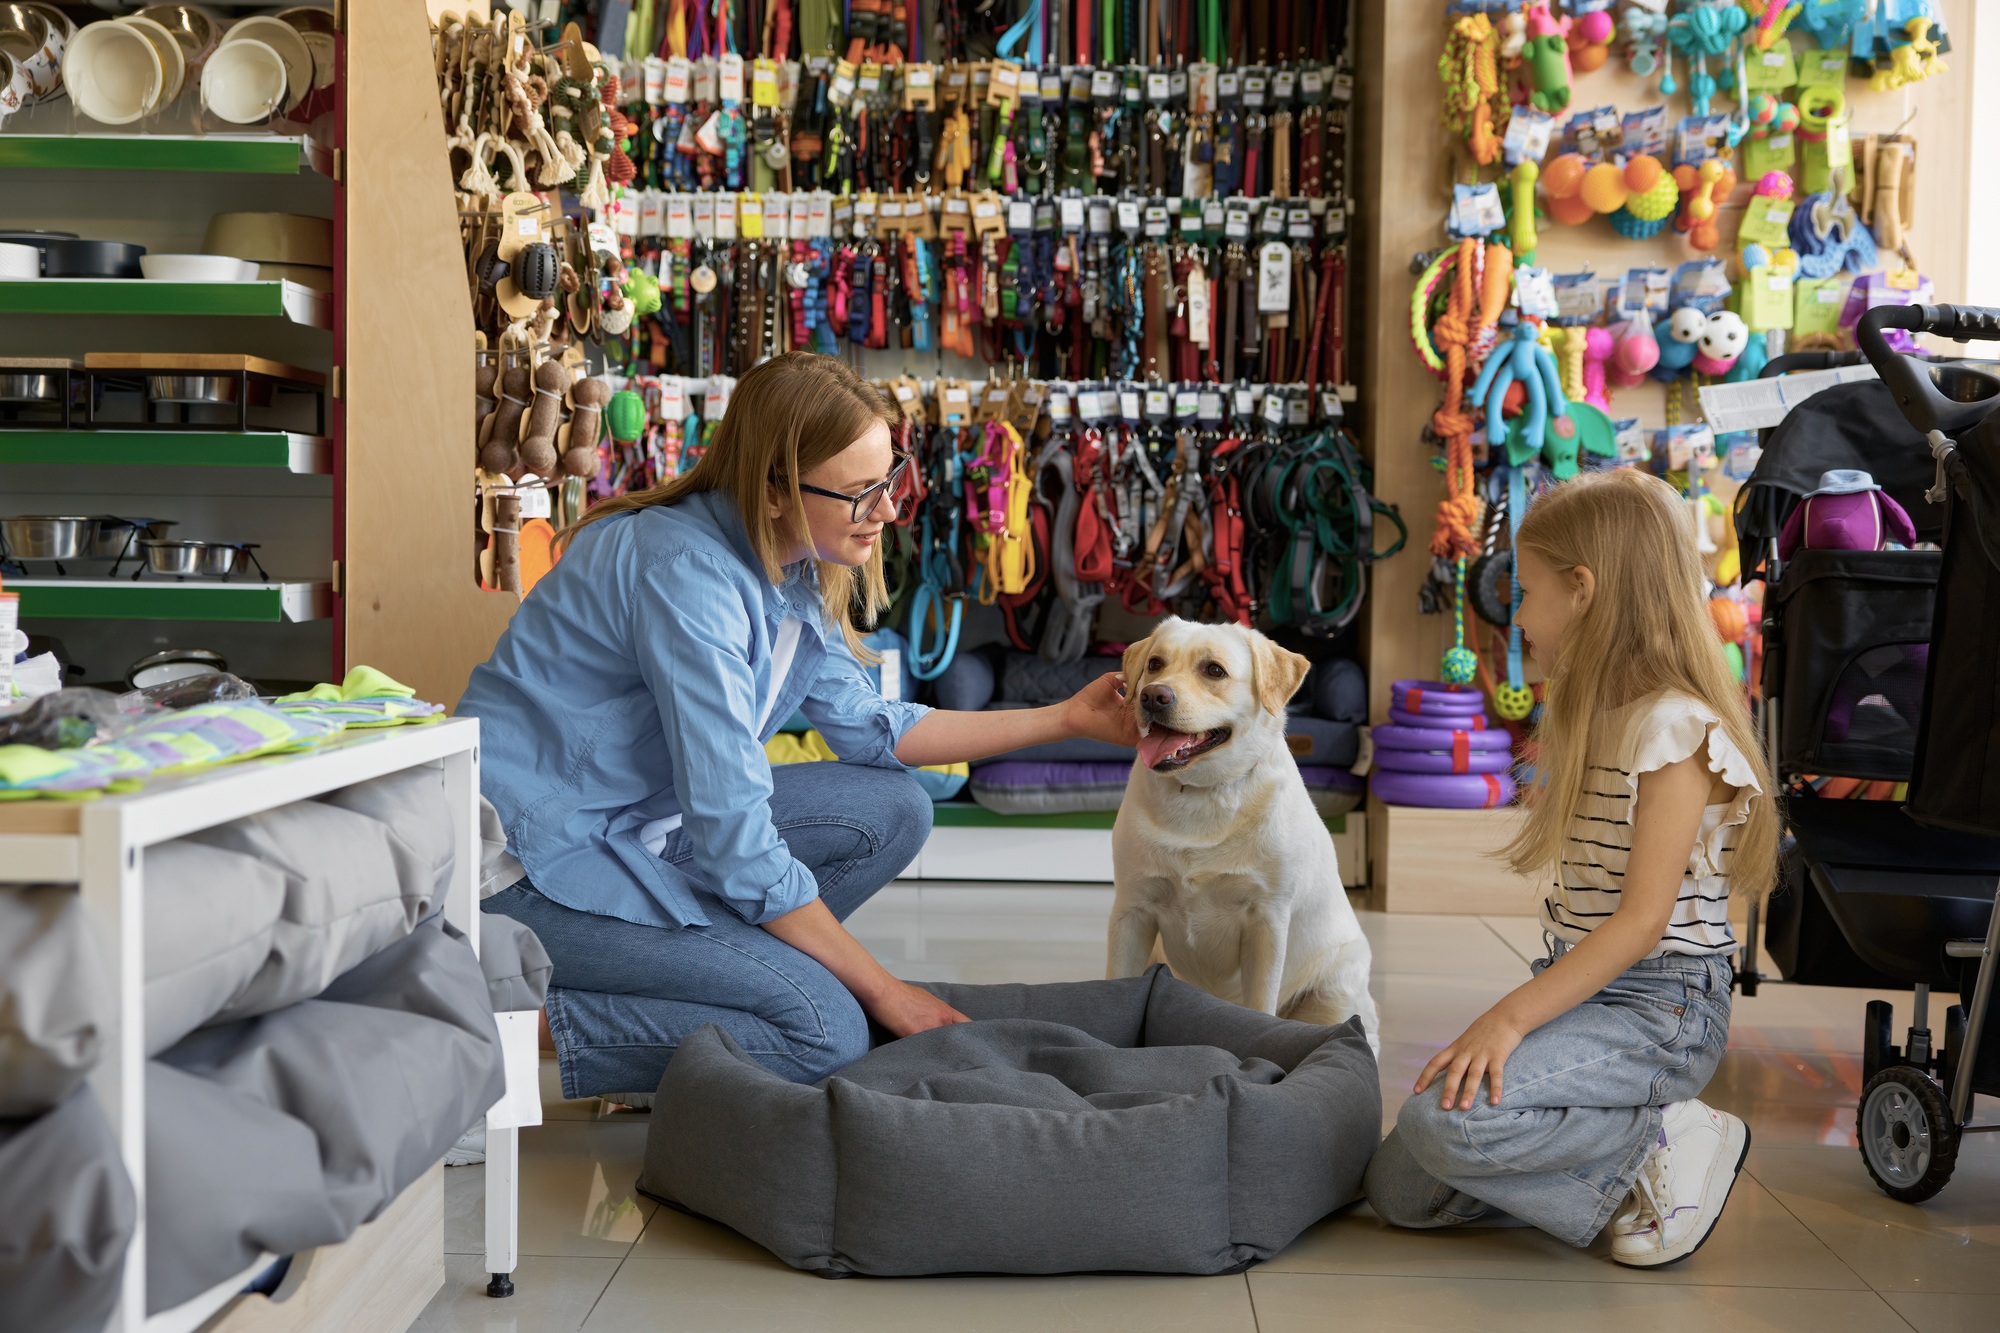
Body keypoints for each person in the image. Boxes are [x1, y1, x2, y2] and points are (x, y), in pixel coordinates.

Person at [461, 353, 1136, 1102]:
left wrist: (1070, 717)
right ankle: (495, 1022)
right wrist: (883, 989)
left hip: (630, 833)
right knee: (825, 1027)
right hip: (526, 868)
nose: (889, 511)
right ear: (776, 489)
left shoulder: (790, 571)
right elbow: (734, 837)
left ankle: (725, 984)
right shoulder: (686, 574)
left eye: (892, 481)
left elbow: (875, 729)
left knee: (896, 808)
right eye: (862, 494)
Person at [1364, 468, 1777, 1268]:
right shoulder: (1592, 715)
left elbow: (1641, 922)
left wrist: (1510, 1018)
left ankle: (1669, 1131)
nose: (1516, 617)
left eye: (1525, 593)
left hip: (1662, 1013)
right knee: (1400, 1191)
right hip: (1587, 989)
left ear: (1582, 589)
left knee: (1439, 1125)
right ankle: (1608, 1169)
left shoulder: (1676, 730)